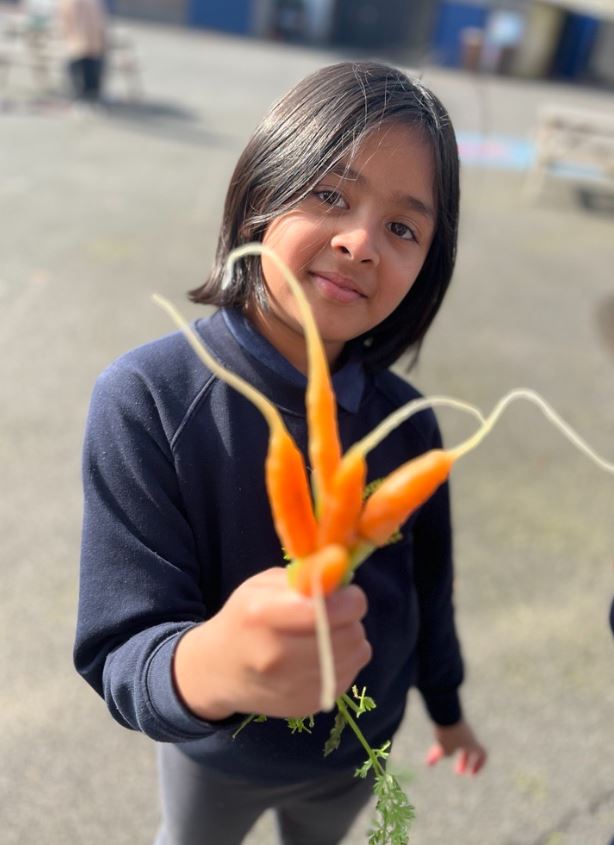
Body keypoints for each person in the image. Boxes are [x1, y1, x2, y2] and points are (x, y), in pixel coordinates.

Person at [74, 60, 487, 845]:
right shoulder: (147, 397)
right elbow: (119, 646)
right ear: (263, 190)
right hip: (217, 755)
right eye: (329, 193)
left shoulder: (409, 427)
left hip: (358, 753)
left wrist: (450, 709)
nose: (360, 241)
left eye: (403, 228)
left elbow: (431, 593)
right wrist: (213, 666)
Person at [57, 0, 107, 105]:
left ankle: (87, 95)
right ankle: (81, 95)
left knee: (88, 69)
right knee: (80, 69)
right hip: (79, 43)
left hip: (88, 43)